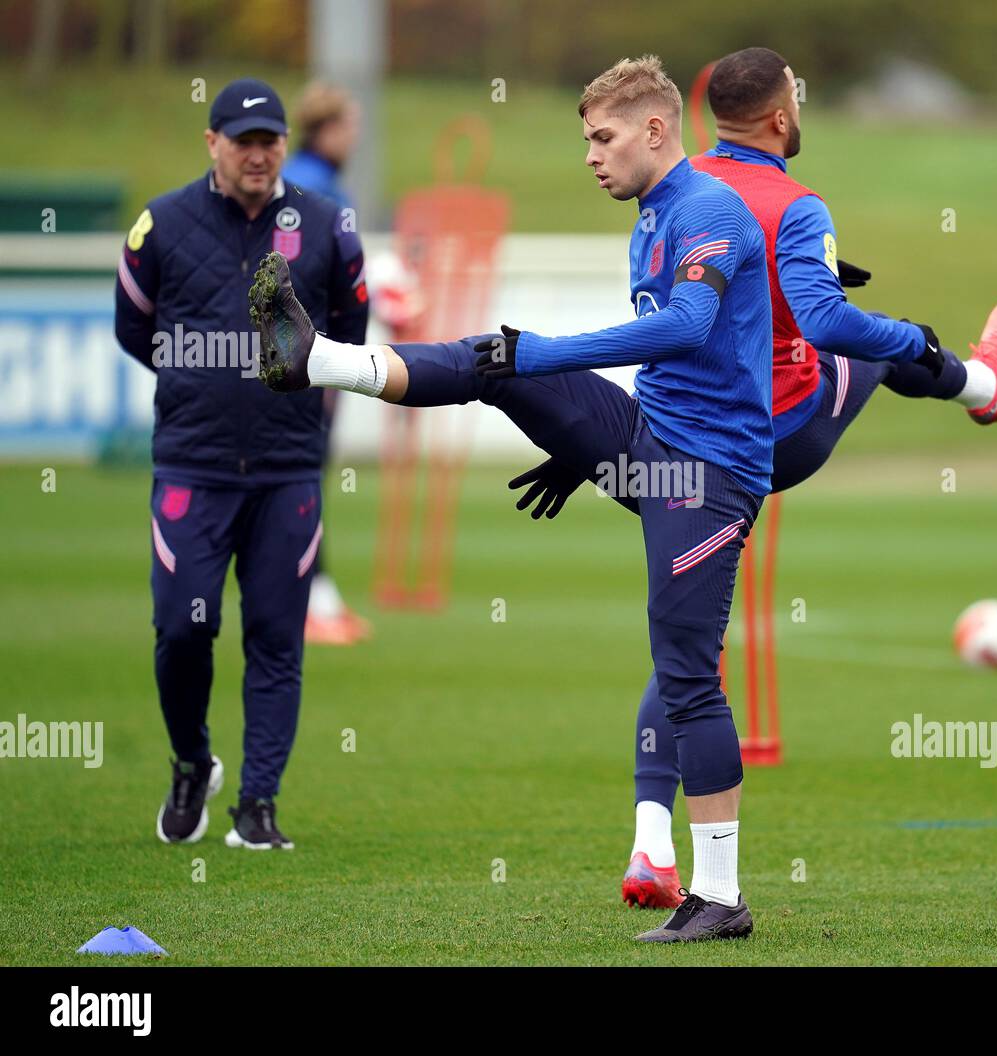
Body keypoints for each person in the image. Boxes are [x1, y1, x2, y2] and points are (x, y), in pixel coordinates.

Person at [252, 55, 782, 943]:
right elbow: (664, 367)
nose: (590, 156)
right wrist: (581, 447)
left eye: (602, 137)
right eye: (586, 141)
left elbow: (688, 330)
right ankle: (323, 362)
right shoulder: (653, 217)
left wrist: (552, 360)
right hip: (652, 444)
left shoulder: (708, 210)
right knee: (495, 358)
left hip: (708, 477)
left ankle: (722, 898)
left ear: (657, 129)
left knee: (688, 673)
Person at [505, 47, 997, 909]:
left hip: (673, 439)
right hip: (773, 436)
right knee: (876, 352)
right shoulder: (796, 200)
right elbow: (821, 316)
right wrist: (907, 335)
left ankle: (649, 847)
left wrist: (581, 447)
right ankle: (977, 382)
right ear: (783, 118)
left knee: (683, 651)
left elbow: (672, 330)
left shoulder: (683, 187)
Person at [114, 77, 368, 850]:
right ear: (213, 144)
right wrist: (201, 386)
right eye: (243, 141)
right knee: (181, 629)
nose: (258, 155)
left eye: (271, 141)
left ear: (287, 145)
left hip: (290, 468)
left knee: (276, 636)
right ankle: (192, 762)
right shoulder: (161, 225)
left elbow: (348, 330)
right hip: (193, 466)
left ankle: (257, 803)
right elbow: (135, 328)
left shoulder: (328, 225)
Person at [282, 81, 370, 645]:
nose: (355, 137)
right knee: (302, 477)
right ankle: (311, 599)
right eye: (349, 126)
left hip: (284, 355)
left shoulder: (294, 180)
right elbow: (334, 280)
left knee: (295, 476)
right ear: (328, 129)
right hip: (310, 359)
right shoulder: (321, 193)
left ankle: (314, 595)